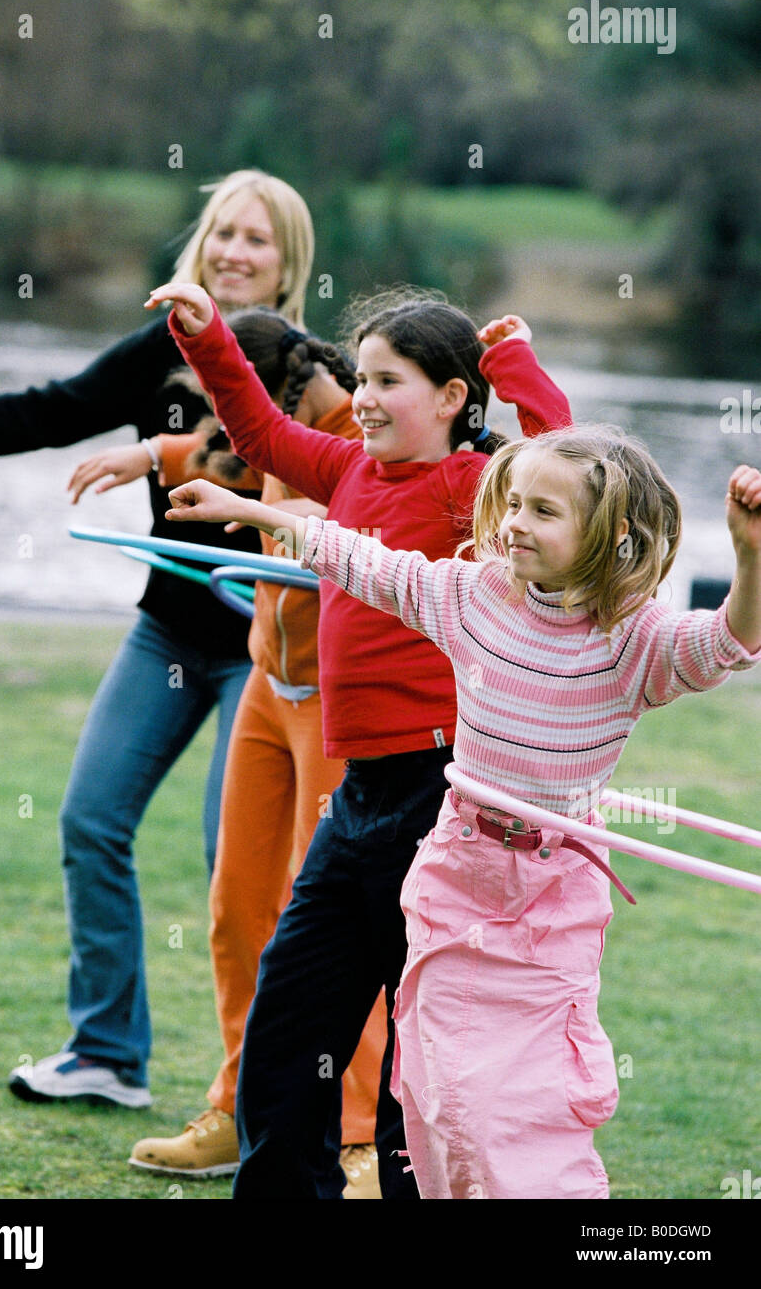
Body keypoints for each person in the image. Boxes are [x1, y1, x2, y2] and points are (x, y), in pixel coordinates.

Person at [170, 428, 761, 1198]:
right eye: (513, 502)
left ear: (609, 532)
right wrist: (264, 516)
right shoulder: (475, 595)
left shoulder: (632, 641)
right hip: (455, 873)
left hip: (549, 897)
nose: (513, 522)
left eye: (542, 511)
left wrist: (749, 558)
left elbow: (723, 644)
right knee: (437, 1092)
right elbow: (372, 566)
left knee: (516, 1102)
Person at [0, 170, 315, 1108]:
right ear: (200, 246)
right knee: (89, 820)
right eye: (222, 233)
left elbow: (348, 477)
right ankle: (108, 1054)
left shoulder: (308, 370)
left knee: (236, 871)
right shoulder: (161, 349)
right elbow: (38, 412)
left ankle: (265, 1091)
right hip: (169, 629)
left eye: (257, 239)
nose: (234, 252)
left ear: (289, 263)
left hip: (268, 648)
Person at [144, 277, 573, 1197]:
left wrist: (517, 366)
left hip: (441, 793)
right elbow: (258, 435)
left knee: (419, 1050)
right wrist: (207, 335)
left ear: (453, 399)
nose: (365, 400)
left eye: (389, 383)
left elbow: (563, 462)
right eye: (363, 380)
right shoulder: (347, 472)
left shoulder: (476, 489)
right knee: (291, 1020)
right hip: (360, 796)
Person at [78, 308, 390, 1194]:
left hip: (336, 704)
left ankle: (357, 1132)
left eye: (228, 402)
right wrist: (150, 454)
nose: (219, 426)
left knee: (327, 926)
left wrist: (245, 497)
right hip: (266, 684)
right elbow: (217, 451)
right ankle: (240, 1104)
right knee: (237, 909)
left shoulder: (358, 442)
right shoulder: (265, 429)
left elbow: (324, 509)